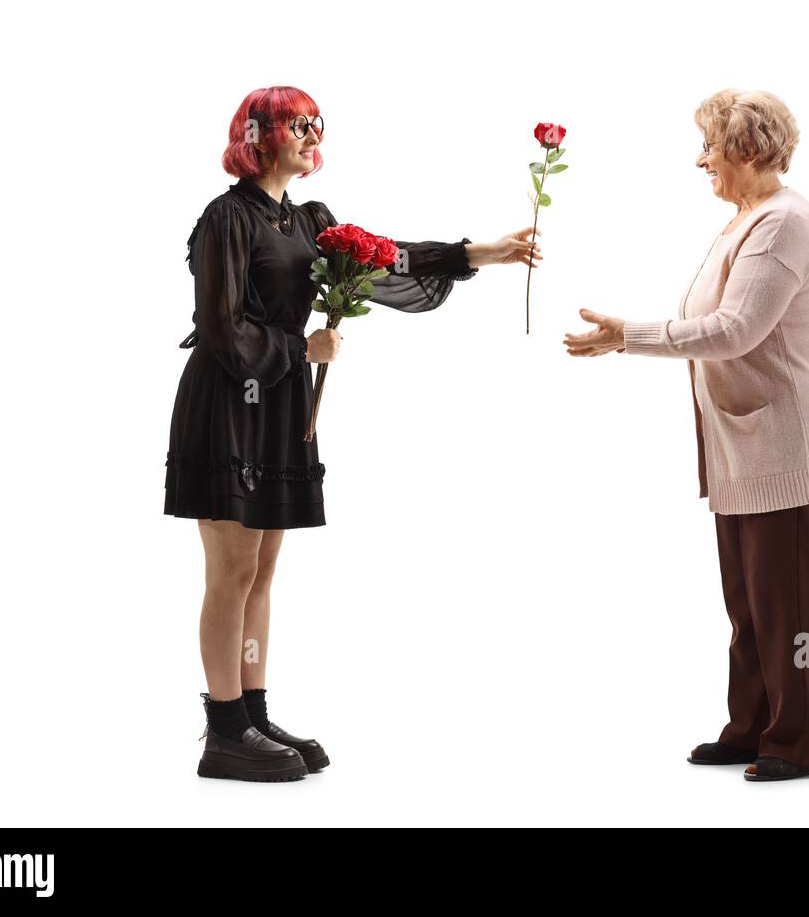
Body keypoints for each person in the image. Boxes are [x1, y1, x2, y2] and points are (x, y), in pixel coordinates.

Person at [165, 86, 541, 782]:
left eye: (317, 125)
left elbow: (379, 257)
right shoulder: (227, 217)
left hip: (277, 407)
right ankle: (223, 733)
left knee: (263, 571)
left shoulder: (308, 220)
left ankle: (251, 708)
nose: (313, 135)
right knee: (232, 570)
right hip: (228, 404)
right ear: (260, 136)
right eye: (298, 125)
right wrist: (299, 351)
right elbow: (219, 328)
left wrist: (475, 253)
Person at [563, 88, 809, 782]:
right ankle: (752, 727)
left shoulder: (784, 226)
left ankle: (801, 741)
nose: (702, 162)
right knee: (752, 608)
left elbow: (733, 331)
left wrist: (626, 337)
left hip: (788, 447)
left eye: (711, 148)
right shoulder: (747, 220)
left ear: (748, 150)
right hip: (743, 450)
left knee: (796, 613)